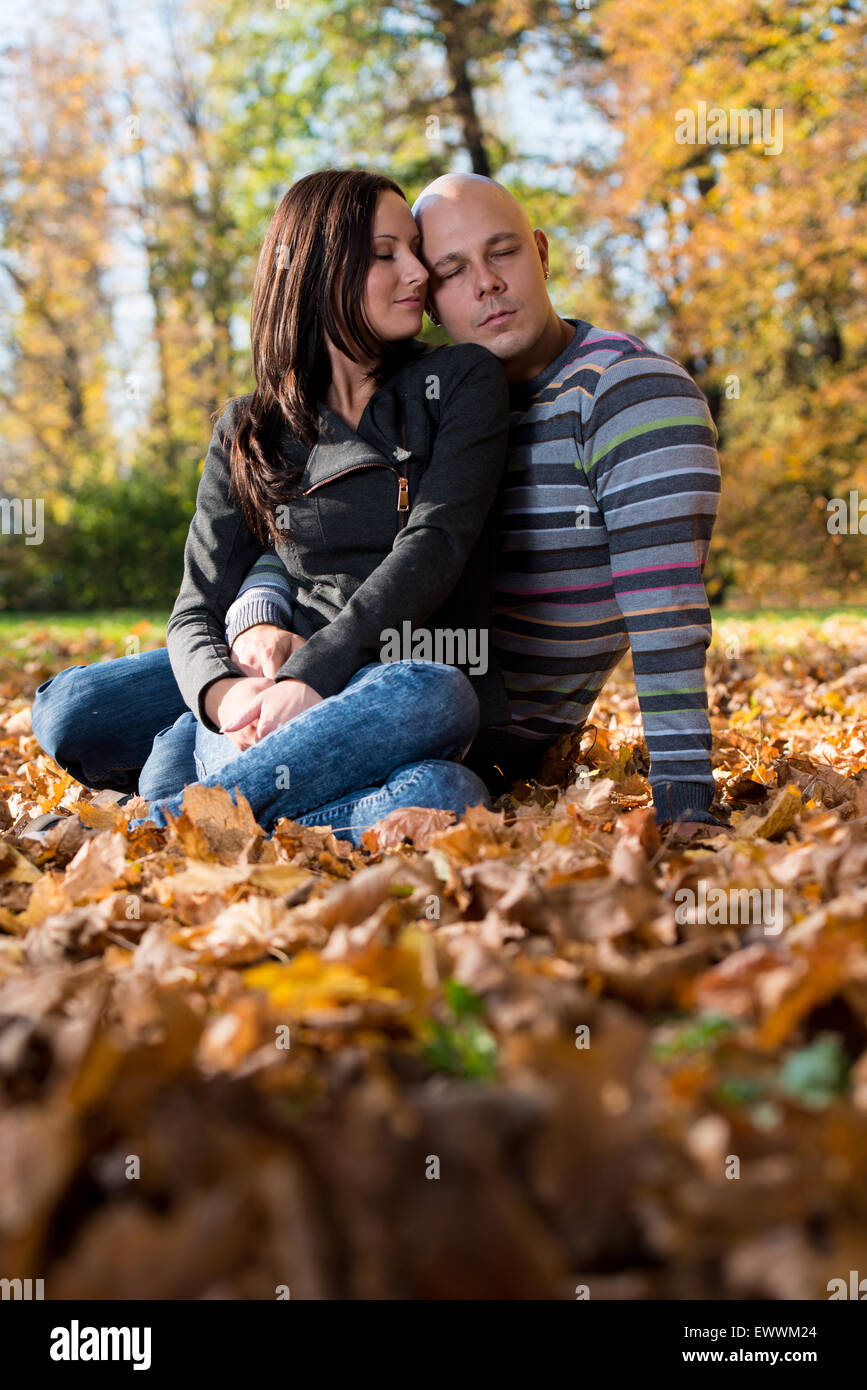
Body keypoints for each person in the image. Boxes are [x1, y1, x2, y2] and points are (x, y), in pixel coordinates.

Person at [223, 174, 724, 830]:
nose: (485, 283)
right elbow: (308, 538)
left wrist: (685, 803)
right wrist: (257, 614)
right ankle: (215, 798)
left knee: (435, 769)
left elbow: (666, 617)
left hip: (471, 721)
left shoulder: (628, 394)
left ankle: (206, 809)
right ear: (424, 297)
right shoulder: (409, 399)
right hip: (341, 676)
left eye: (503, 253)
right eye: (451, 270)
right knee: (84, 707)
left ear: (541, 254)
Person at [30, 169, 511, 846]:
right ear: (317, 271)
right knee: (68, 708)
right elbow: (195, 606)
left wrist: (310, 679)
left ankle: (168, 820)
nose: (417, 271)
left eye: (415, 249)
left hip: (385, 679)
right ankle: (229, 783)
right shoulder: (248, 427)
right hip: (264, 692)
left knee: (439, 705)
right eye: (384, 253)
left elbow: (434, 543)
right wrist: (225, 696)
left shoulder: (459, 380)